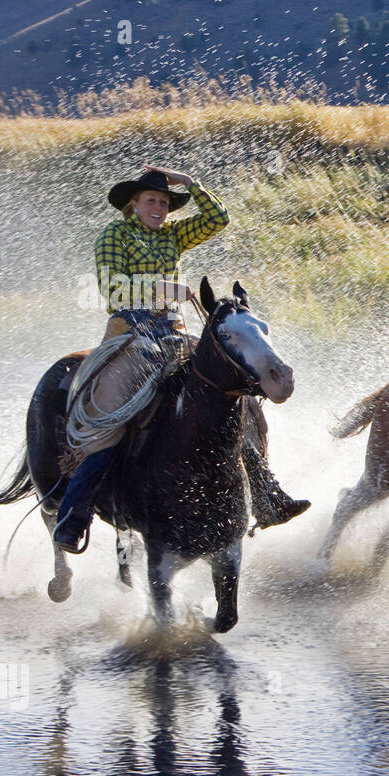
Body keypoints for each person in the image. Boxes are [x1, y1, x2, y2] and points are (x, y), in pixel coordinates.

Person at [52, 165, 308, 552]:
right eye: (152, 201)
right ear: (133, 205)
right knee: (112, 419)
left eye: (165, 203)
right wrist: (160, 287)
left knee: (233, 395)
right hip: (130, 335)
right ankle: (75, 515)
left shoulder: (174, 233)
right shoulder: (114, 235)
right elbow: (111, 287)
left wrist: (189, 183)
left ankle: (266, 493)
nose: (159, 208)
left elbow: (218, 218)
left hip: (174, 332)